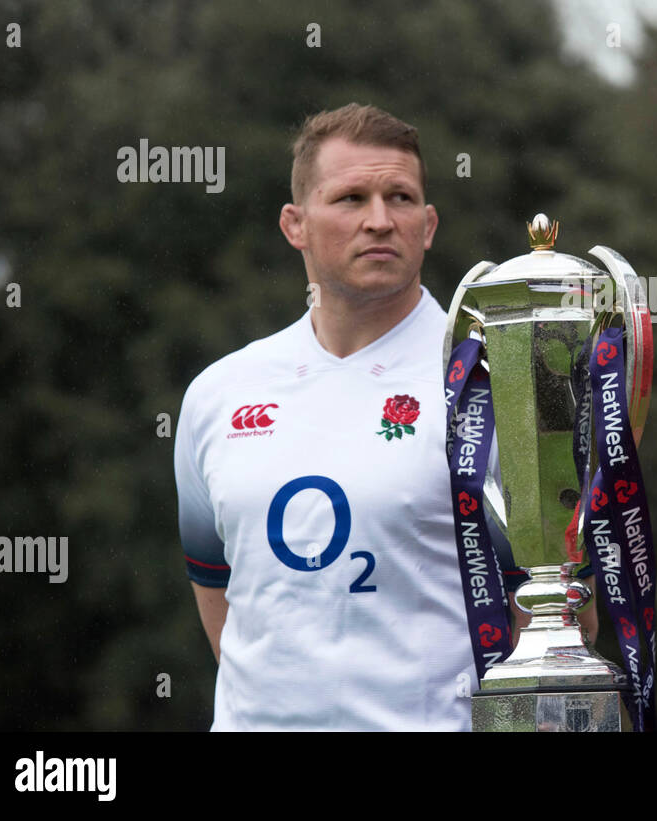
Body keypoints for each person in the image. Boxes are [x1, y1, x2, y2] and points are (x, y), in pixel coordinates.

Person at [174, 103, 478, 729]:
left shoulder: (486, 382)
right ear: (295, 224)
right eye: (349, 198)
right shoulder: (218, 394)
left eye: (400, 197)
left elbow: (553, 613)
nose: (379, 220)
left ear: (428, 224)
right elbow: (222, 600)